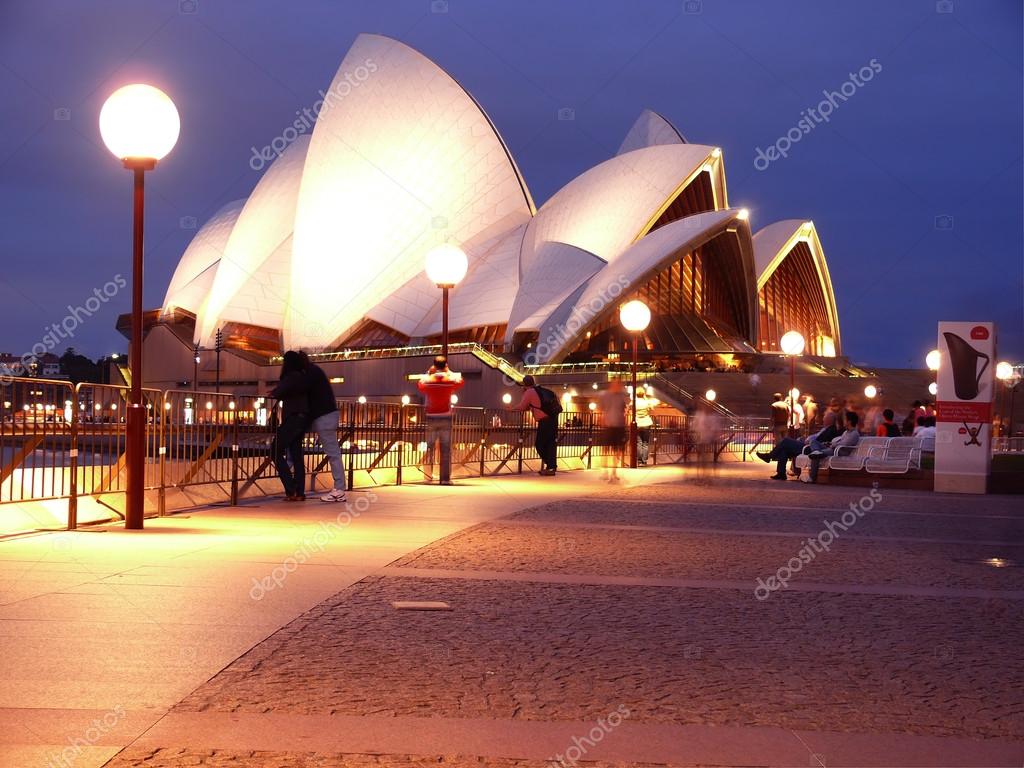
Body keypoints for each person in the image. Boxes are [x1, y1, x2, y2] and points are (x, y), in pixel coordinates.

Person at [298, 352, 347, 502]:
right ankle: (339, 488)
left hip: (324, 417)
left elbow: (305, 393)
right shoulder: (316, 371)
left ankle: (339, 489)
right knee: (334, 453)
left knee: (333, 453)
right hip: (329, 415)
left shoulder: (309, 374)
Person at [417, 355, 464, 485]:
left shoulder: (428, 381)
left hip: (431, 417)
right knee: (445, 449)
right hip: (445, 417)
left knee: (429, 448)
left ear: (434, 365)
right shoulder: (449, 380)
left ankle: (427, 476)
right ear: (445, 365)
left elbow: (420, 384)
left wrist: (428, 372)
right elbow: (460, 381)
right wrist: (448, 371)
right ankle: (445, 479)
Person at [270, 351, 310, 501]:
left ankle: (290, 488)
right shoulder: (302, 376)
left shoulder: (291, 376)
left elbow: (280, 391)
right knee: (296, 455)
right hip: (302, 419)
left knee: (274, 450)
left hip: (292, 418)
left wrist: (274, 392)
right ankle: (299, 492)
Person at [515, 374, 559, 476]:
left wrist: (511, 409)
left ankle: (551, 466)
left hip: (545, 421)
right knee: (550, 444)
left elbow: (522, 406)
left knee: (539, 445)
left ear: (524, 383)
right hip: (553, 419)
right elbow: (530, 406)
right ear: (533, 381)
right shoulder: (541, 390)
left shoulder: (530, 392)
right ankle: (551, 468)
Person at [801, 412, 860, 484]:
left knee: (815, 456)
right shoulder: (846, 432)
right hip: (834, 448)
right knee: (814, 442)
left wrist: (834, 445)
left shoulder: (854, 434)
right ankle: (816, 451)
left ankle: (812, 478)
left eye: (845, 420)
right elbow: (840, 442)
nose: (843, 421)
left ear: (849, 421)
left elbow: (845, 444)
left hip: (840, 451)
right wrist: (830, 444)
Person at [598, 380, 627, 482]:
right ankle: (605, 471)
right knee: (606, 450)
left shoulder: (622, 395)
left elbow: (624, 410)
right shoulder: (605, 395)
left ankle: (613, 472)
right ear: (612, 385)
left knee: (617, 450)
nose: (619, 386)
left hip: (619, 426)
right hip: (609, 426)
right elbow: (600, 409)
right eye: (617, 384)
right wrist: (603, 422)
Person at [632, 386, 659, 465]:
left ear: (636, 394)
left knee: (639, 443)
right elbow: (652, 409)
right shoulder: (646, 402)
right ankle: (644, 461)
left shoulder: (634, 402)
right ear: (643, 394)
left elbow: (628, 408)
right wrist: (645, 398)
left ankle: (639, 461)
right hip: (646, 423)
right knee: (645, 443)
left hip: (638, 423)